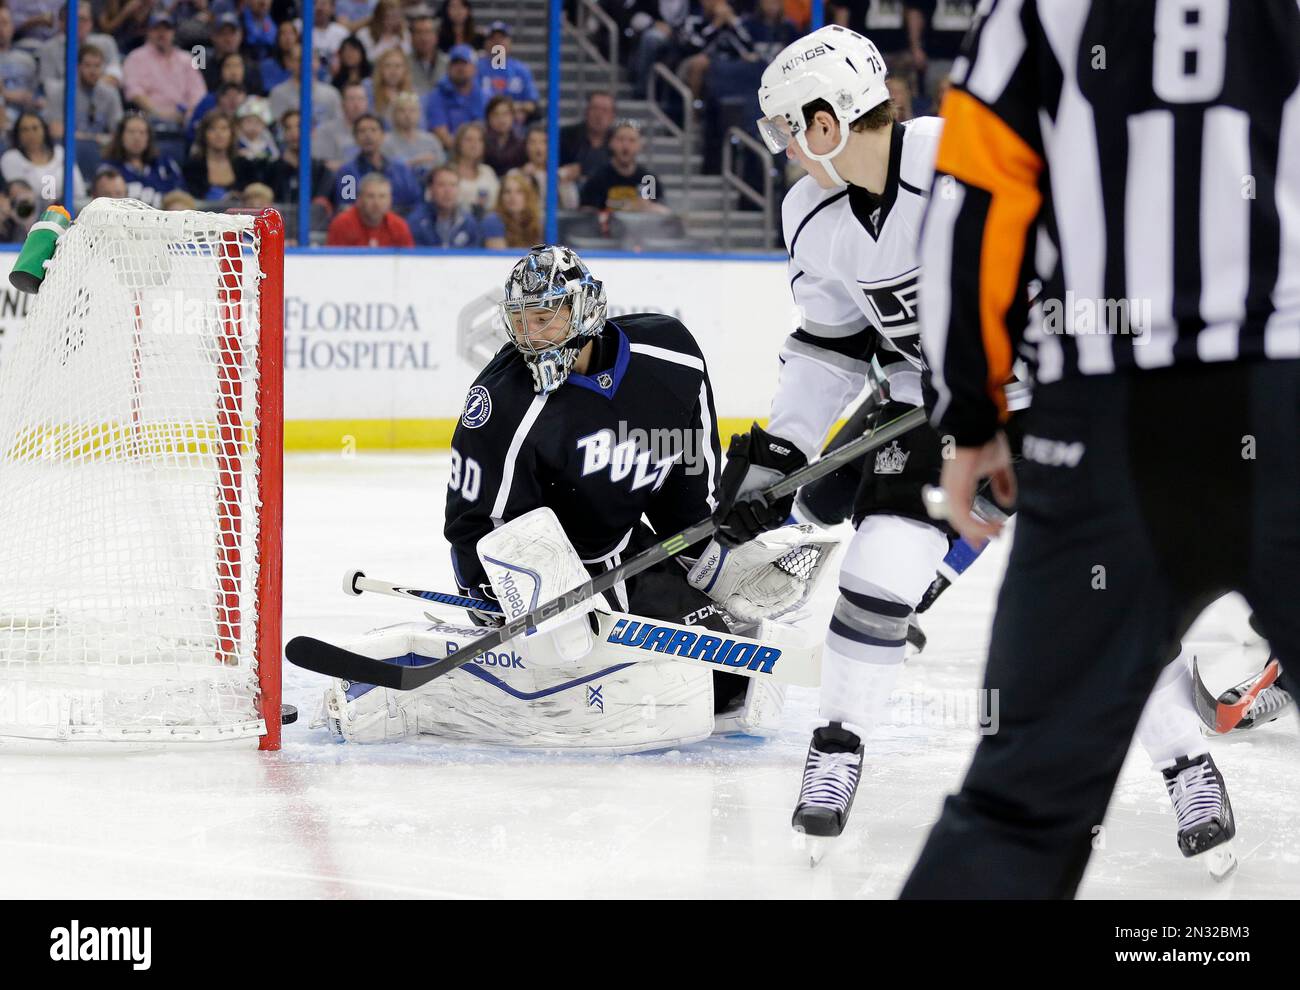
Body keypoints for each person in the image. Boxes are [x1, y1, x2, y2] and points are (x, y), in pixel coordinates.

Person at [900, 0, 1300, 900]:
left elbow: (972, 206)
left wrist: (970, 410)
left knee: (1017, 806)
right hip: (1286, 400)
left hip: (1110, 425)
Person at [321, 245, 821, 749]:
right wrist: (505, 600)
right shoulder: (502, 402)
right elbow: (475, 524)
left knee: (726, 678)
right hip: (532, 574)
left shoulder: (671, 356)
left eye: (544, 318)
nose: (531, 336)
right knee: (586, 657)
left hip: (621, 553)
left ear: (583, 309)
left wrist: (711, 556)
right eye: (519, 321)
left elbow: (688, 476)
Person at [121, 11, 207, 129]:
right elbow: (135, 92)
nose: (162, 33)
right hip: (150, 118)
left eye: (166, 29)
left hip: (184, 119)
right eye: (157, 29)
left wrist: (189, 113)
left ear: (173, 33)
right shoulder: (136, 57)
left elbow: (198, 93)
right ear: (149, 32)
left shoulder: (186, 59)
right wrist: (160, 114)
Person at [42, 43, 124, 151]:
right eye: (88, 65)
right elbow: (56, 131)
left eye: (97, 66)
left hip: (100, 150)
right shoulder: (61, 92)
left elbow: (119, 131)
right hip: (68, 150)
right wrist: (92, 139)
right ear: (78, 66)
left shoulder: (110, 93)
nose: (93, 71)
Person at [332, 112, 421, 210]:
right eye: (362, 131)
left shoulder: (401, 170)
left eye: (373, 130)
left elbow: (415, 202)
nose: (368, 135)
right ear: (355, 138)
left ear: (383, 136)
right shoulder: (348, 173)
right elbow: (346, 207)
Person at [0, 112, 87, 210]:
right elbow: (19, 196)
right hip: (29, 216)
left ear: (44, 130)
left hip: (65, 212)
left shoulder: (61, 153)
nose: (31, 134)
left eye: (35, 128)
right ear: (18, 134)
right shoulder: (10, 158)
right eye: (25, 130)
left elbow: (79, 191)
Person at [578, 122, 667, 214]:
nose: (625, 145)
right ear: (611, 143)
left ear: (640, 146)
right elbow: (586, 214)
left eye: (632, 140)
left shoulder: (648, 180)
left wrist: (648, 207)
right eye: (620, 139)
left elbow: (662, 213)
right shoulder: (598, 178)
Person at [36, 1, 123, 93]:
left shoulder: (106, 42)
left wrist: (89, 85)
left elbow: (115, 74)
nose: (79, 24)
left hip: (100, 98)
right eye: (74, 19)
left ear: (91, 23)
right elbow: (48, 84)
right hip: (63, 101)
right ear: (62, 23)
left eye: (84, 19)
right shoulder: (49, 48)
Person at [101, 113, 185, 207]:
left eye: (142, 132)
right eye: (131, 132)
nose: (137, 138)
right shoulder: (108, 169)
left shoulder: (165, 165)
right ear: (121, 136)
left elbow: (181, 195)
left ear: (149, 138)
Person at [405, 164, 496, 248]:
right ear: (430, 189)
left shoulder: (469, 223)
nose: (448, 191)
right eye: (441, 185)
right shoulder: (416, 222)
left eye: (453, 185)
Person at [183, 110, 262, 201]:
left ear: (231, 134)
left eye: (224, 129)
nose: (219, 134)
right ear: (204, 134)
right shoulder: (192, 167)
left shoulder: (245, 165)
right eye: (212, 129)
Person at [325, 171, 415, 247]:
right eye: (370, 196)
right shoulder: (342, 225)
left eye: (382, 196)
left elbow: (409, 262)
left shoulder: (399, 226)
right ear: (359, 199)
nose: (377, 203)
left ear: (390, 200)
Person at [423, 43, 485, 149]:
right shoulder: (437, 95)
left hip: (479, 151)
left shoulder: (483, 95)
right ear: (448, 68)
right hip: (449, 153)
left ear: (474, 68)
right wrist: (464, 152)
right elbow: (441, 133)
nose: (460, 68)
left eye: (464, 63)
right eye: (455, 63)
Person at [475, 21, 537, 123]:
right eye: (493, 39)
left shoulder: (521, 69)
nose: (497, 42)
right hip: (483, 124)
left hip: (515, 126)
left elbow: (532, 105)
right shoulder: (476, 68)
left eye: (502, 38)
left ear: (510, 42)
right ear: (486, 43)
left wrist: (516, 107)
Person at [382, 91, 446, 180]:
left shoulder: (431, 140)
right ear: (393, 115)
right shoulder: (385, 141)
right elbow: (386, 170)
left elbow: (442, 168)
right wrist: (416, 161)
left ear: (419, 114)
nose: (407, 115)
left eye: (412, 110)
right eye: (402, 110)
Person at [558, 90, 614, 190]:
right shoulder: (566, 135)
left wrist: (582, 170)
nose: (599, 115)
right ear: (586, 111)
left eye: (605, 110)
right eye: (595, 109)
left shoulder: (618, 140)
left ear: (612, 116)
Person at [204, 13, 264, 96]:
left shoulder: (251, 68)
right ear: (213, 36)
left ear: (241, 35)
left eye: (232, 33)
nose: (228, 39)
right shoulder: (206, 70)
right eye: (223, 33)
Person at [448, 120, 498, 215]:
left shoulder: (488, 171)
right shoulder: (447, 172)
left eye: (480, 140)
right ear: (459, 143)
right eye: (469, 139)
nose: (475, 144)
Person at [0, 6, 39, 119]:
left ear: (12, 27)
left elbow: (35, 98)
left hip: (24, 121)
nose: (1, 28)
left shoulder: (27, 60)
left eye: (5, 23)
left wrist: (4, 93)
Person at [492, 170, 540, 249]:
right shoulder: (493, 221)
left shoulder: (535, 222)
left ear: (527, 196)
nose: (512, 197)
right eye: (507, 192)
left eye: (519, 192)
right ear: (500, 197)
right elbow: (500, 259)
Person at [482, 94, 526, 176]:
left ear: (512, 116)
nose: (501, 119)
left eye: (505, 114)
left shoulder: (522, 143)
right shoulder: (481, 141)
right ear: (488, 118)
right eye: (496, 114)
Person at [367, 47, 414, 124]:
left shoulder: (412, 93)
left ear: (405, 70)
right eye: (388, 66)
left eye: (398, 66)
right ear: (380, 69)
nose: (393, 71)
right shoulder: (369, 89)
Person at [406, 9, 444, 96]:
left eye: (428, 32)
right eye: (419, 32)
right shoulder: (403, 64)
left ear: (436, 36)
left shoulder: (449, 64)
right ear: (411, 37)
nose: (424, 38)